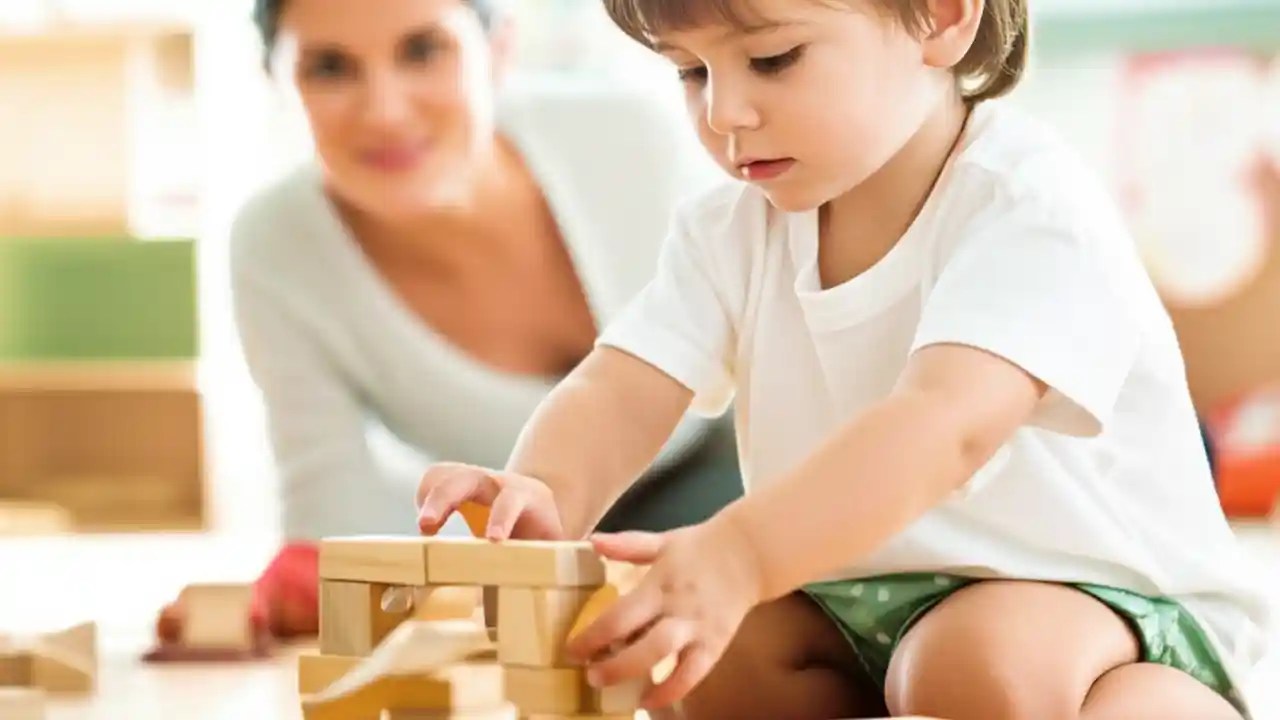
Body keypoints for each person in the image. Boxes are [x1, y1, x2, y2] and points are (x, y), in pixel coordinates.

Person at [413, 0, 1276, 717]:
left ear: (941, 18)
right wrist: (543, 498)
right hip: (862, 605)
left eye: (774, 59)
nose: (723, 113)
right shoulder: (731, 232)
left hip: (1115, 614)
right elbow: (624, 384)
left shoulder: (1025, 206)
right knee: (687, 661)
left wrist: (741, 555)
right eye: (691, 71)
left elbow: (945, 427)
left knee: (969, 663)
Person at [156, 0, 741, 643]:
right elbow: (333, 522)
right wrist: (275, 600)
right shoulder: (275, 246)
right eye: (328, 68)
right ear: (275, 83)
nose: (384, 111)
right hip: (512, 549)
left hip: (752, 481)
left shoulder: (636, 134)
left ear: (498, 52)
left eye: (423, 51)